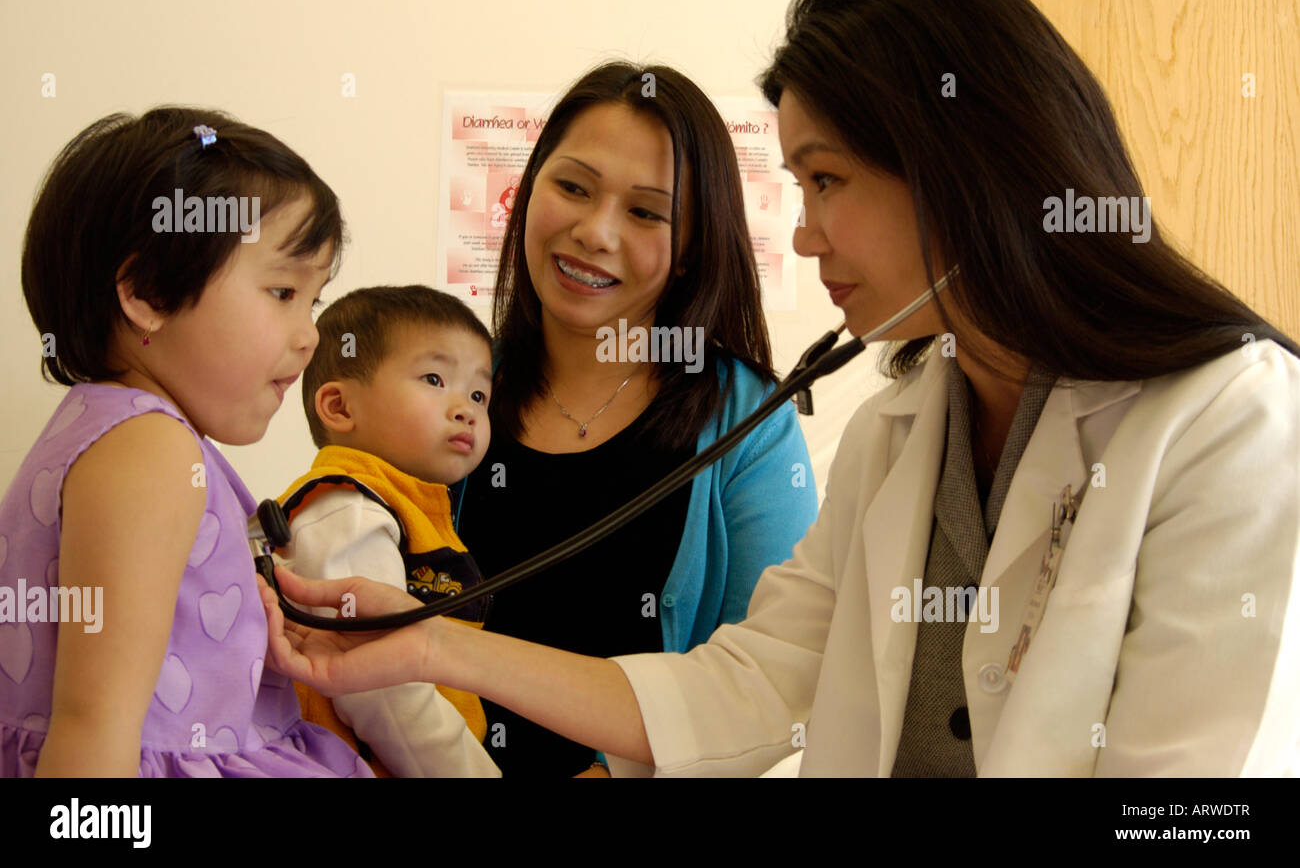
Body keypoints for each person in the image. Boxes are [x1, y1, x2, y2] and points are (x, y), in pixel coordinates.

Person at [258, 0, 1300, 777]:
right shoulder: (898, 436)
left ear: (961, 169)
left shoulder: (1228, 420)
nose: (802, 240)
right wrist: (429, 644)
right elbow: (744, 685)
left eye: (825, 180)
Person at [452, 61, 820, 776]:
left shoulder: (750, 421)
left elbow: (775, 678)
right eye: (573, 188)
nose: (595, 232)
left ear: (691, 250)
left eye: (646, 212)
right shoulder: (456, 388)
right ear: (526, 194)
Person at [2, 107, 371, 777]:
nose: (309, 334)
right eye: (283, 291)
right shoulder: (149, 450)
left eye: (313, 302)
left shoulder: (103, 427)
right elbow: (95, 729)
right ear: (147, 292)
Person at [273, 285, 500, 777]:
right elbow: (383, 688)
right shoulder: (348, 510)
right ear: (340, 408)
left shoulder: (407, 508)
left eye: (479, 393)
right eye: (435, 378)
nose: (467, 409)